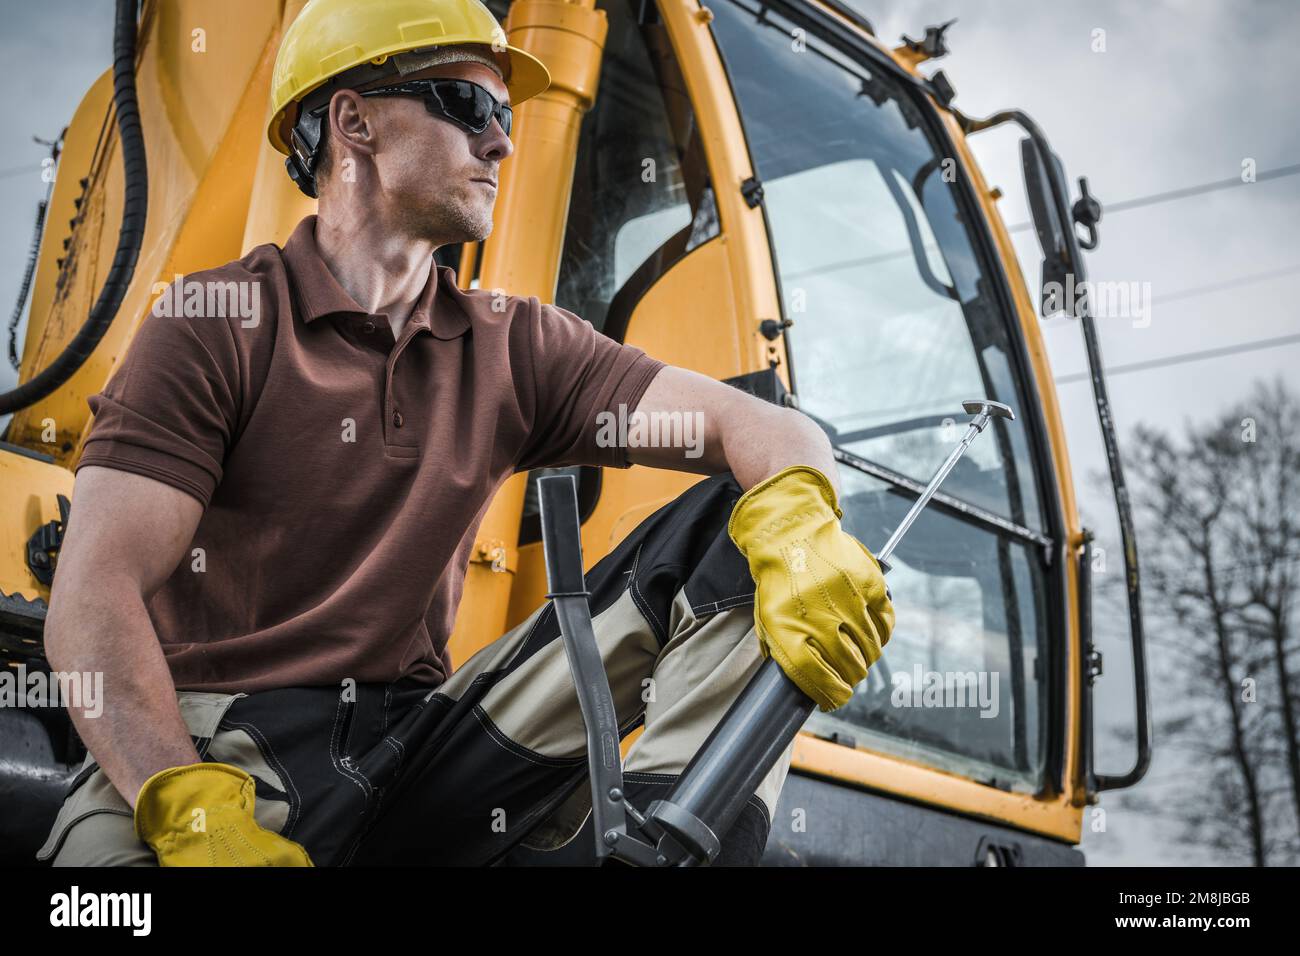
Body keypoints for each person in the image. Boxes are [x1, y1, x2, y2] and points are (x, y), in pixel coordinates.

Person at [36, 0, 894, 867]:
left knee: (746, 528)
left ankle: (662, 849)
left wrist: (798, 518)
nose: (502, 143)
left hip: (410, 753)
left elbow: (767, 430)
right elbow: (88, 601)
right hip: (207, 754)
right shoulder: (213, 323)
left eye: (507, 116)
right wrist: (186, 812)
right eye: (470, 106)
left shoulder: (514, 346)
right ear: (354, 119)